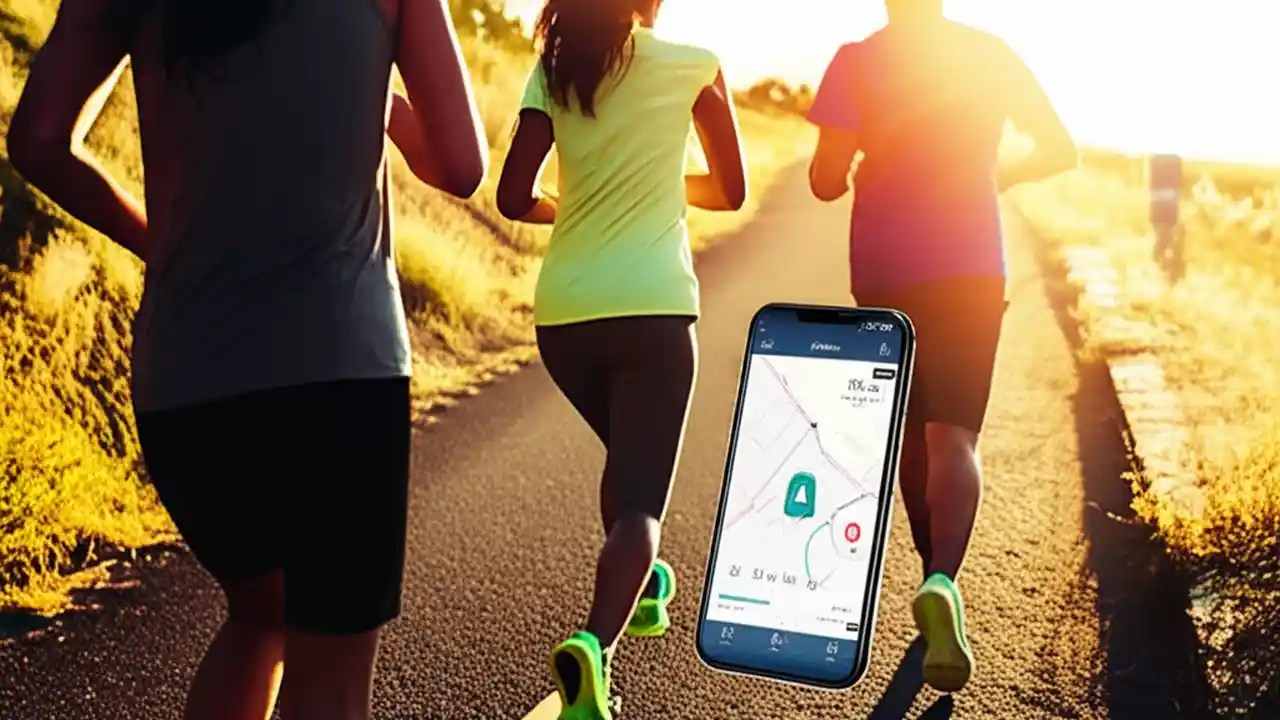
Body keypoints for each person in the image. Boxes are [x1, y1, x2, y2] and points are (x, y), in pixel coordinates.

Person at [9, 0, 487, 718]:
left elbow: (39, 140)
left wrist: (160, 244)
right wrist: (373, 85)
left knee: (260, 619)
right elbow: (459, 166)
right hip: (339, 367)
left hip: (184, 377)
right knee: (328, 676)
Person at [805, 0, 1077, 694]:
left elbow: (824, 181)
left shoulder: (856, 61)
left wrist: (858, 156)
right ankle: (942, 581)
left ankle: (931, 574)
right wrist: (993, 174)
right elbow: (1059, 148)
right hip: (971, 264)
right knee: (956, 437)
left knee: (910, 435)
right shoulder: (990, 53)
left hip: (884, 269)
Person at [496, 0, 746, 716]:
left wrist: (572, 203)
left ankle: (645, 589)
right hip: (653, 312)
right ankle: (593, 649)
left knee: (630, 463)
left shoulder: (555, 68)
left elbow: (512, 197)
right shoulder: (696, 67)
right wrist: (659, 183)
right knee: (641, 501)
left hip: (565, 319)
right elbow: (731, 192)